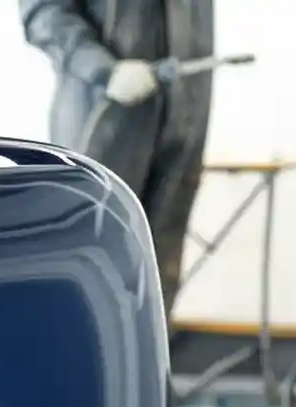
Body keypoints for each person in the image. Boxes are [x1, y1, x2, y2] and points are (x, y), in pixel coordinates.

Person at [19, 0, 215, 316]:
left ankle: (147, 366)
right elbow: (43, 11)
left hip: (183, 120)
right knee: (85, 264)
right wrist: (102, 68)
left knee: (157, 277)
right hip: (104, 118)